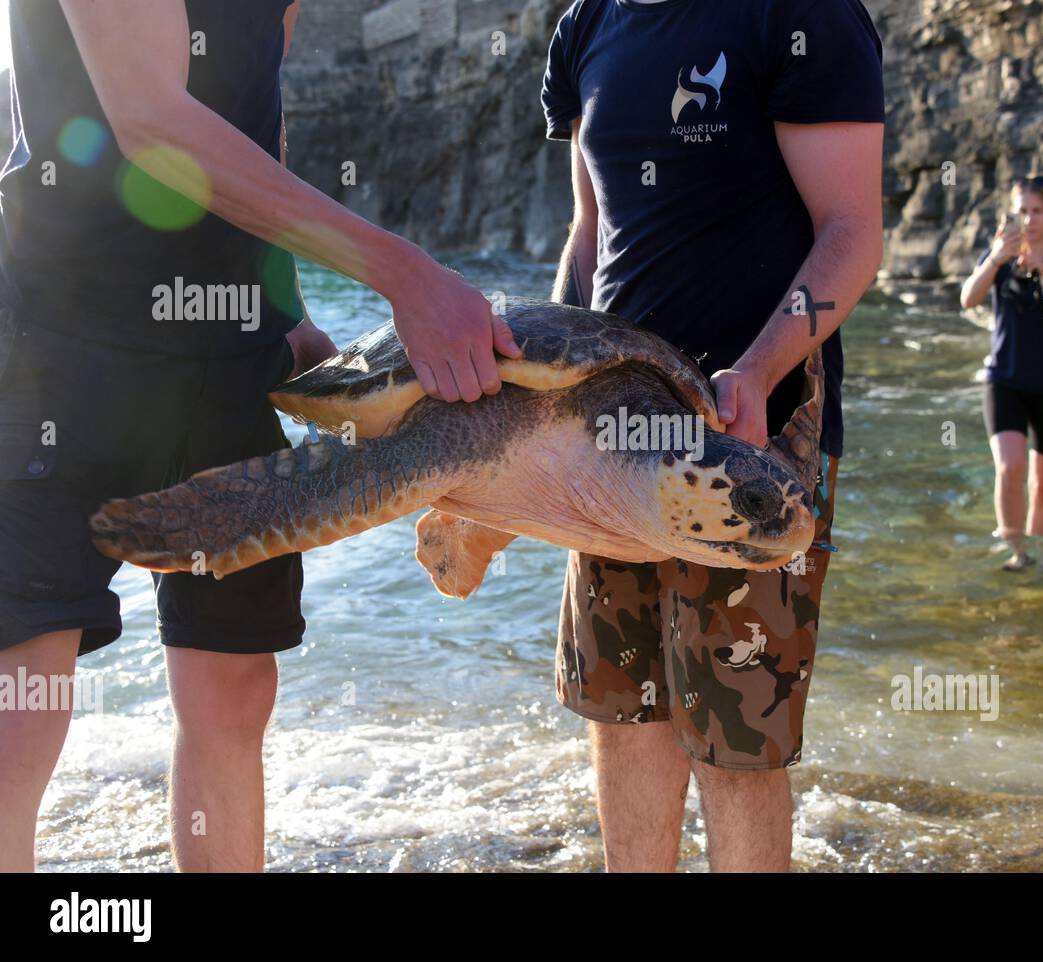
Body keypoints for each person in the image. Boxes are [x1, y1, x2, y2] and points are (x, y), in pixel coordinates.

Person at [0, 0, 519, 872]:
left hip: (226, 352)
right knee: (22, 711)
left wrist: (288, 312)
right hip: (57, 349)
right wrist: (405, 274)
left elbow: (253, 123)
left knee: (234, 691)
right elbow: (152, 118)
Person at [541, 0, 884, 871]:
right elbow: (592, 234)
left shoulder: (802, 17)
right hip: (608, 439)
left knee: (735, 748)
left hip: (752, 446)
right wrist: (546, 386)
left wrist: (760, 371)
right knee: (624, 719)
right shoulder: (587, 23)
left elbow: (853, 232)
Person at [960, 175, 1043, 571]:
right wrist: (996, 258)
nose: (1029, 219)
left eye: (1037, 210)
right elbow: (968, 300)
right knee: (1009, 466)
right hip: (1005, 379)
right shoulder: (998, 254)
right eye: (1021, 211)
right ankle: (1016, 551)